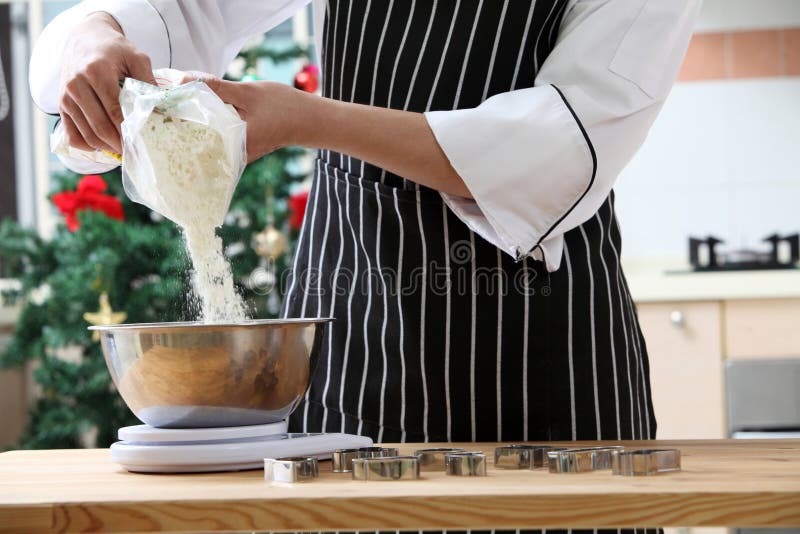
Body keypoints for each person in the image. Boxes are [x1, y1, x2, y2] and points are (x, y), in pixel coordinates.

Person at [31, 1, 698, 448]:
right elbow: (184, 8)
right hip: (348, 344)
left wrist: (305, 118)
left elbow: (558, 151)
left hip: (538, 357)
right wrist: (95, 32)